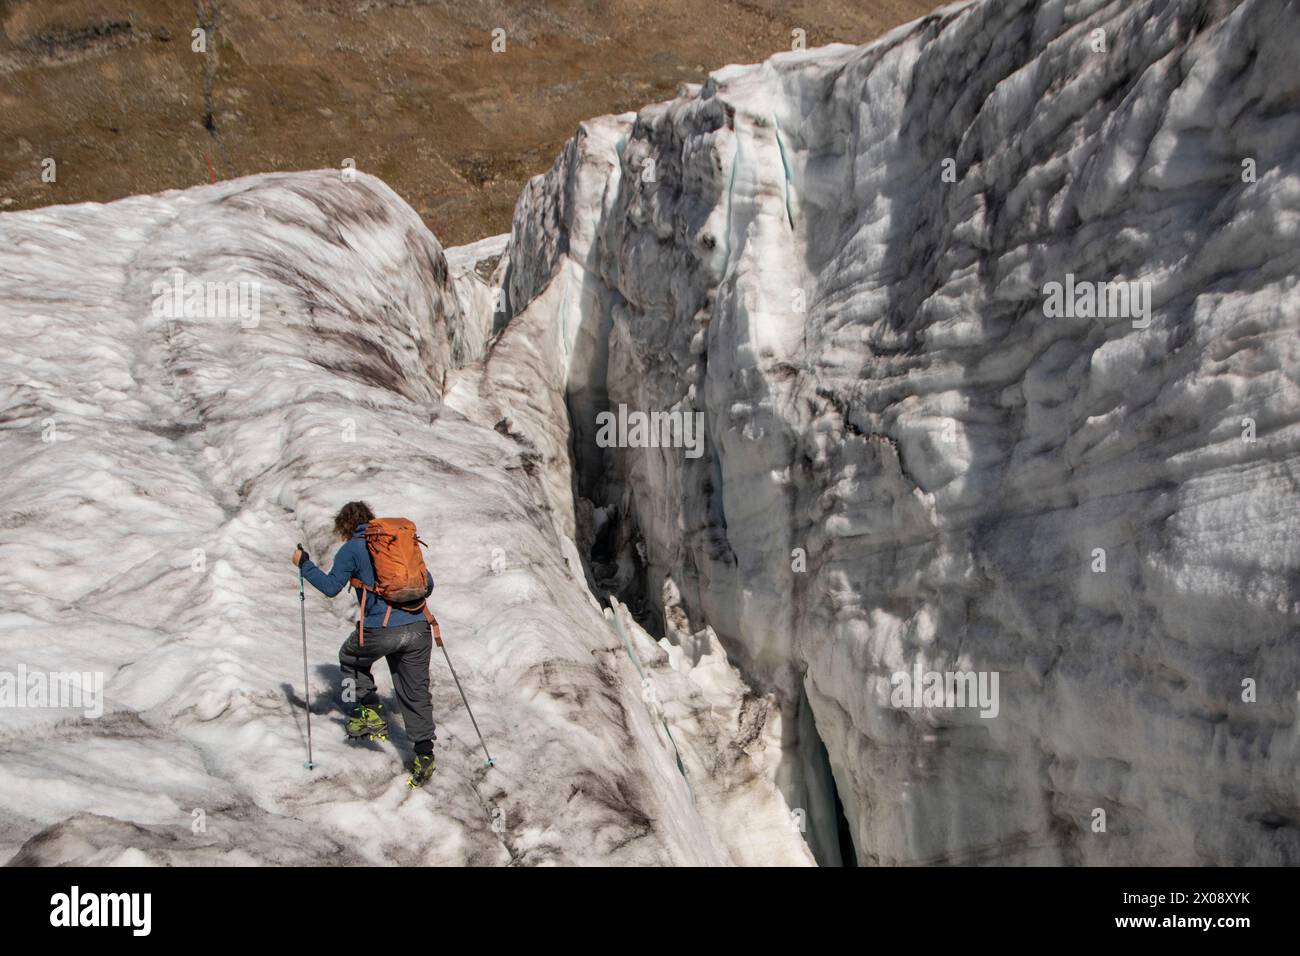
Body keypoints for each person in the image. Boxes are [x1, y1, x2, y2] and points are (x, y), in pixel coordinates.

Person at [292, 501, 437, 787]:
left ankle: (369, 710)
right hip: (420, 627)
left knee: (351, 658)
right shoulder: (400, 543)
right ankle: (424, 755)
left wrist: (304, 565)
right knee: (415, 690)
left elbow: (331, 587)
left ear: (344, 526)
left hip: (380, 628)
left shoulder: (352, 549)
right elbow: (428, 585)